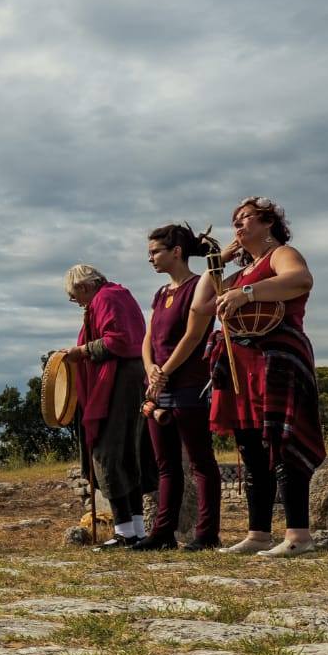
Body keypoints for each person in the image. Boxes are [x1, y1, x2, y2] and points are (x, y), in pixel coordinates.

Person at [209, 196, 325, 557]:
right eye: (235, 222)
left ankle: (298, 536)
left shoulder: (281, 254)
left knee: (281, 442)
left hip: (277, 357)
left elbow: (301, 279)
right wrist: (221, 260)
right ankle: (258, 533)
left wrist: (247, 293)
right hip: (242, 360)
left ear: (268, 223)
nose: (238, 226)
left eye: (245, 219)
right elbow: (201, 302)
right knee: (250, 445)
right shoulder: (243, 268)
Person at [135, 223, 223, 551]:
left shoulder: (200, 285)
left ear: (176, 252)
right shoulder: (161, 294)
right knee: (166, 465)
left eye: (155, 251)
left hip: (188, 385)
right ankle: (163, 533)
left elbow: (194, 335)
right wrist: (150, 370)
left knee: (201, 461)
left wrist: (164, 373)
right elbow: (148, 337)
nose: (151, 259)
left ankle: (206, 534)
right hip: (157, 386)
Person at [63, 265, 153, 549]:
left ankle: (126, 531)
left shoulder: (106, 298)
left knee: (108, 453)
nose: (73, 300)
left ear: (85, 286)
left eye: (73, 293)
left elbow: (120, 340)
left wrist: (83, 351)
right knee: (126, 454)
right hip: (125, 380)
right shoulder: (115, 295)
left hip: (118, 383)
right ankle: (134, 530)